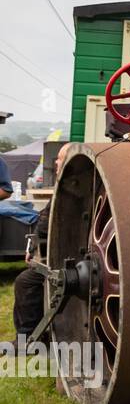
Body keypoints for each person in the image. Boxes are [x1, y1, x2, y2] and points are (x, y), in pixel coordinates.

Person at [11, 143, 71, 343]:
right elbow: (45, 221)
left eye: (60, 158)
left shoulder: (71, 188)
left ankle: (29, 337)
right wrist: (34, 248)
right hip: (51, 250)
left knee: (26, 282)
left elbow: (48, 225)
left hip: (64, 255)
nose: (56, 161)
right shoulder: (67, 185)